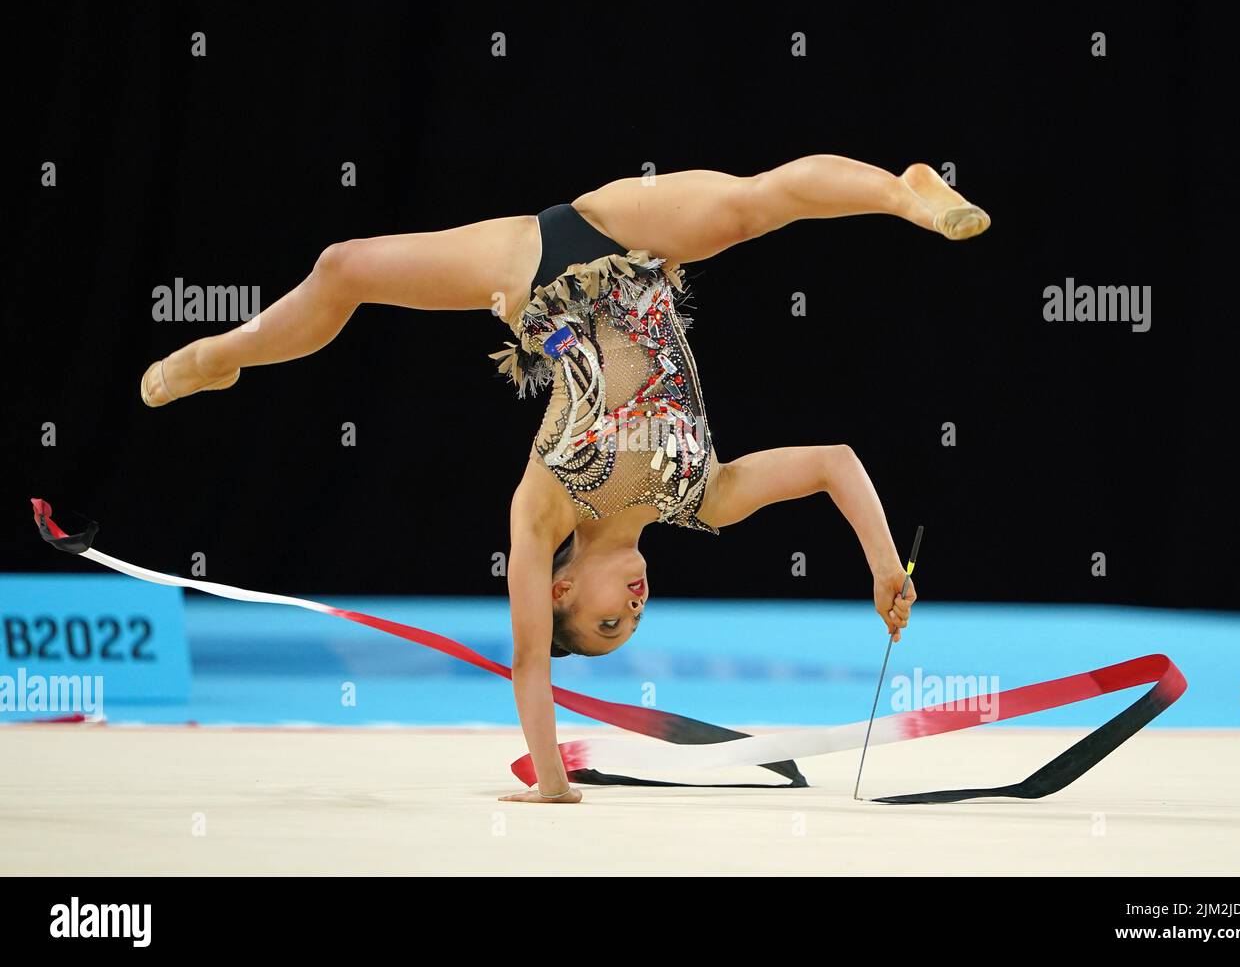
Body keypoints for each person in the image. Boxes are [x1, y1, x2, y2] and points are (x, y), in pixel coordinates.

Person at [138, 155, 990, 803]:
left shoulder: (544, 504)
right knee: (742, 211)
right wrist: (882, 564)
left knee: (344, 265)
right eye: (634, 623)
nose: (635, 604)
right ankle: (225, 358)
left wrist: (551, 780)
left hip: (536, 261)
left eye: (608, 619)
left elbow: (528, 662)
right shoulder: (702, 494)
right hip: (635, 251)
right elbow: (836, 464)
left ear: (561, 588)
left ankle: (904, 187)